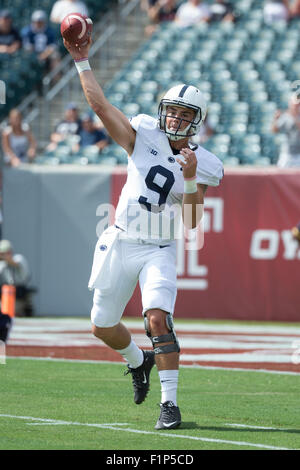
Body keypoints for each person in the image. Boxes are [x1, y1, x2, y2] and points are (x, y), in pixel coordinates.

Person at [63, 35, 223, 430]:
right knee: (101, 325)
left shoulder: (203, 163)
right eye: (171, 112)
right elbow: (99, 106)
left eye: (184, 115)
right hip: (121, 240)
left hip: (159, 248)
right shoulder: (142, 134)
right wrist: (82, 59)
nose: (175, 120)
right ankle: (139, 361)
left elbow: (190, 222)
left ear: (197, 120)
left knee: (157, 319)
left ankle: (170, 405)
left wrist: (187, 182)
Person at [0, 240, 34, 317]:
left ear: (9, 252)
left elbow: (15, 263)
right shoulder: (2, 264)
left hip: (20, 293)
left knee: (13, 313)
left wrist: (5, 258)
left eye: (3, 253)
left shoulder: (19, 258)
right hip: (7, 293)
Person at [272, 96, 300, 168]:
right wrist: (275, 119)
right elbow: (274, 130)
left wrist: (295, 117)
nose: (296, 106)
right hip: (287, 152)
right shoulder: (286, 116)